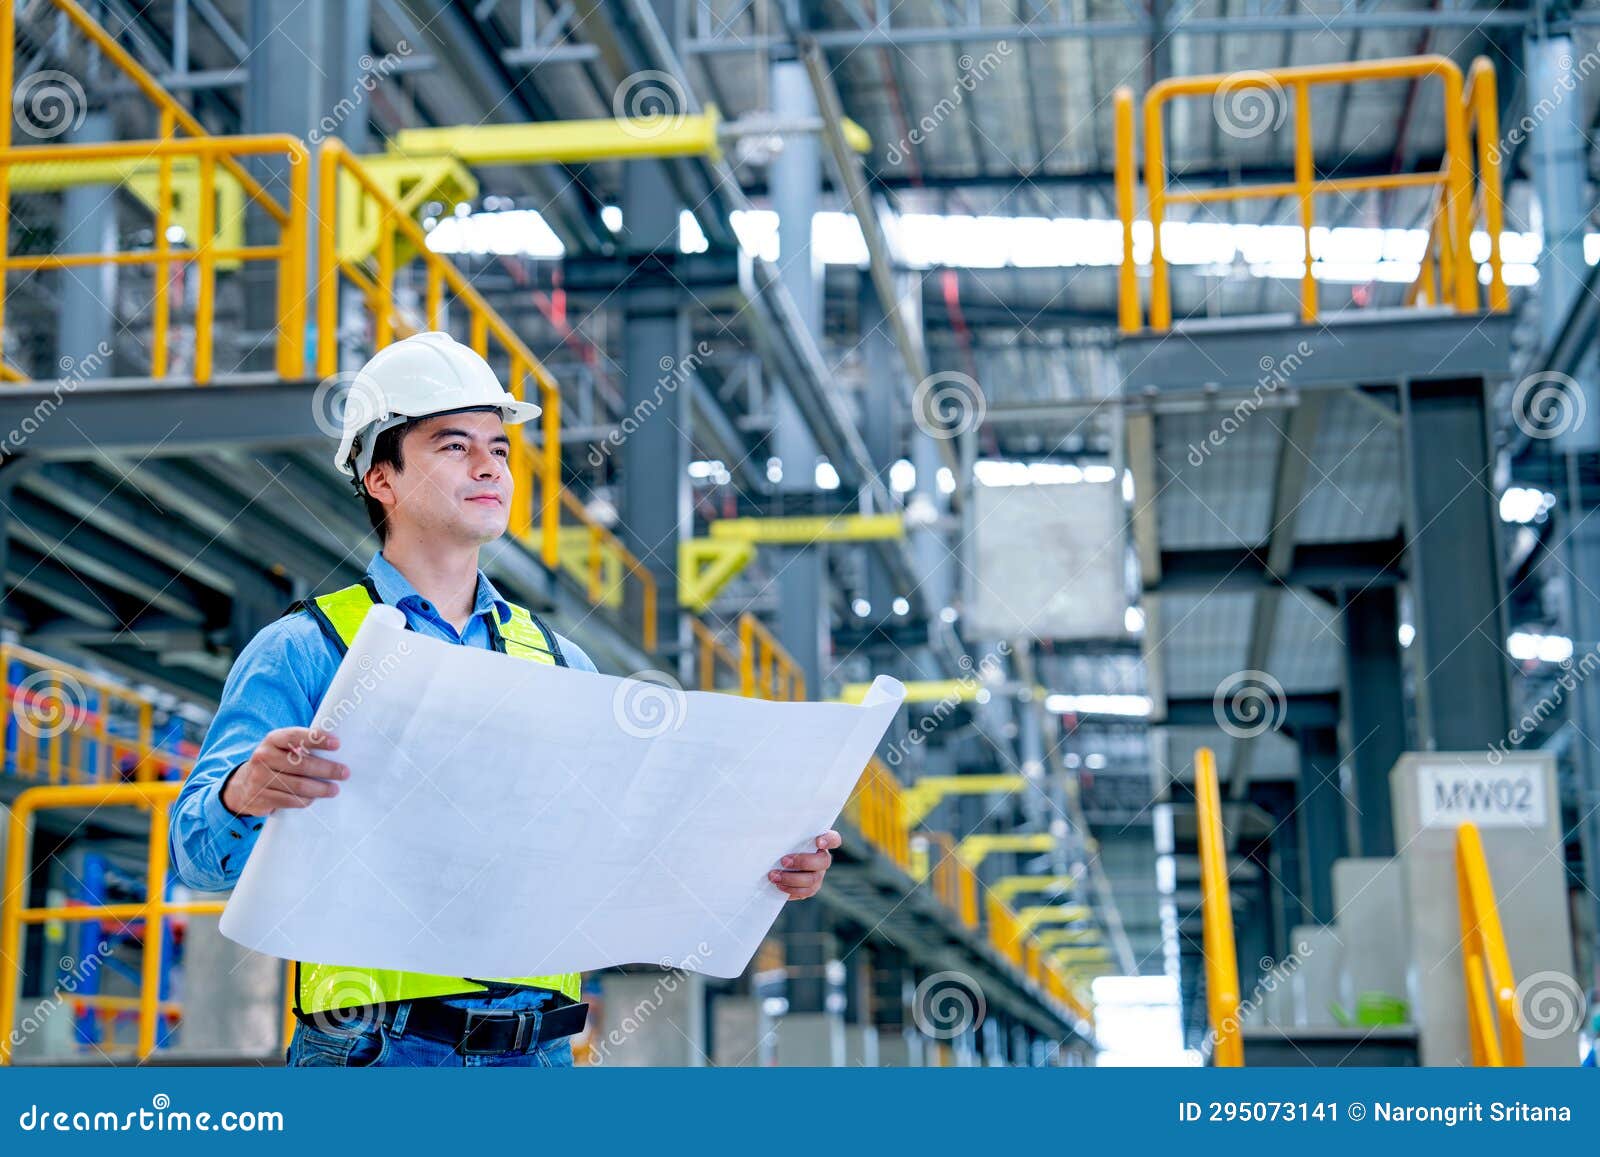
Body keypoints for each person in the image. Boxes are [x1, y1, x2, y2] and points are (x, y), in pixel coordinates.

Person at [170, 331, 841, 1067]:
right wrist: (243, 793)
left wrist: (758, 865)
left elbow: (623, 847)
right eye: (453, 445)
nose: (490, 463)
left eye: (499, 446)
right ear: (380, 478)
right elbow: (197, 859)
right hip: (372, 1058)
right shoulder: (304, 651)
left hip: (540, 1059)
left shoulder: (558, 662)